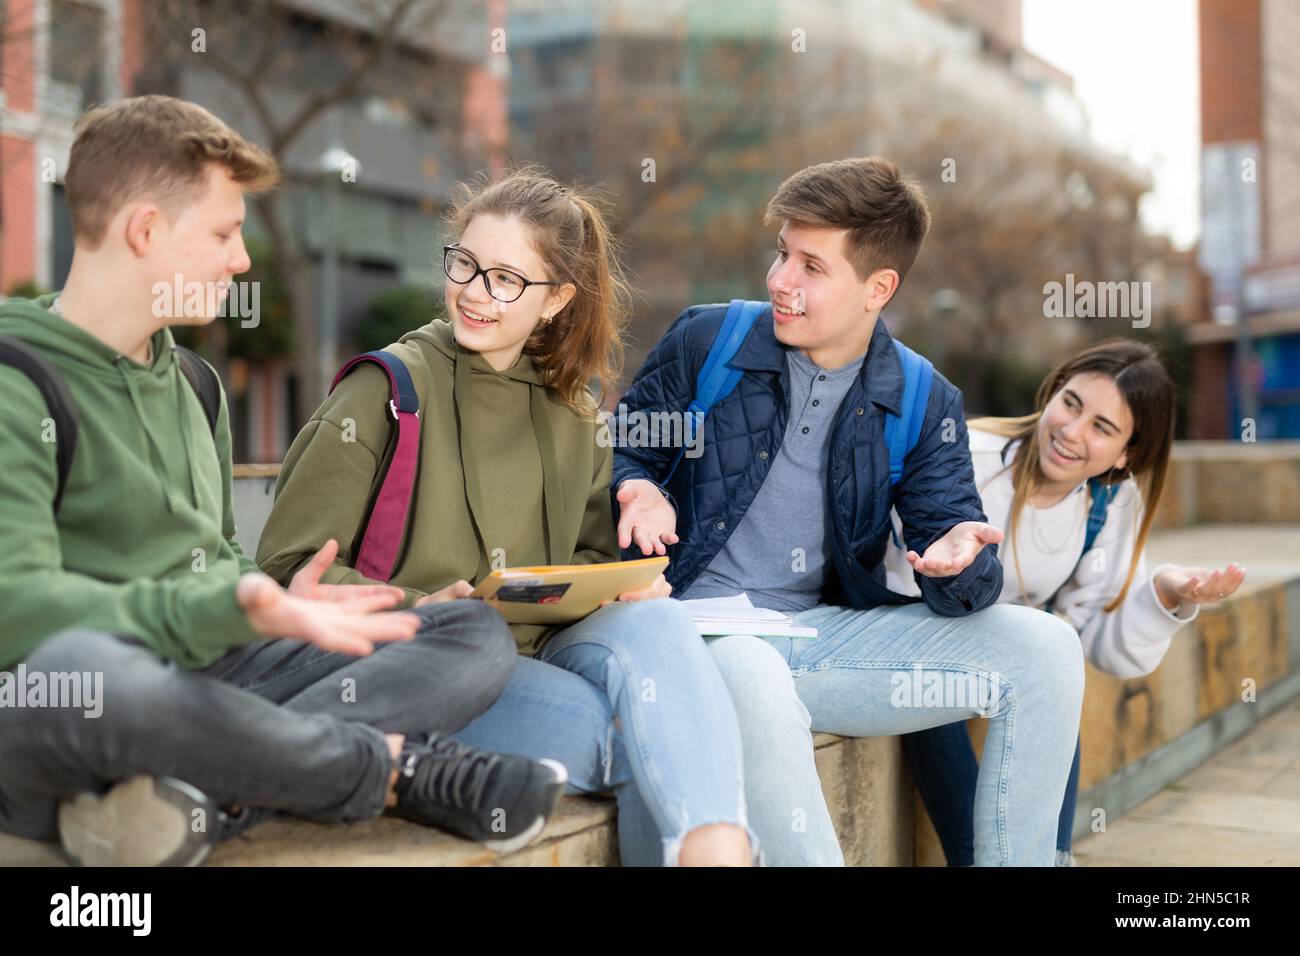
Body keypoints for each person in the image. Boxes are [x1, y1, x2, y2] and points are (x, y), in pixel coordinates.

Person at [0, 96, 567, 867]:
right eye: (226, 232)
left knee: (467, 634)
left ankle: (200, 792)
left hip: (211, 680)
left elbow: (215, 560)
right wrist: (221, 607)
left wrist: (287, 606)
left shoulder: (196, 384)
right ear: (144, 231)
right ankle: (396, 771)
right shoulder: (16, 384)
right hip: (65, 708)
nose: (241, 260)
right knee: (85, 671)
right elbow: (17, 608)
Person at [256, 168, 757, 866]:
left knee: (661, 625)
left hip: (543, 645)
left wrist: (617, 581)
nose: (473, 292)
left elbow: (585, 557)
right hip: (423, 659)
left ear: (556, 299)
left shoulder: (573, 410)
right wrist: (422, 603)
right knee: (632, 732)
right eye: (464, 264)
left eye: (505, 279)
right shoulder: (387, 390)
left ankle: (715, 854)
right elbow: (287, 568)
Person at [611, 156, 1086, 866]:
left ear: (878, 288)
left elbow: (953, 539)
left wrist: (962, 561)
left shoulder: (923, 398)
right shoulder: (709, 342)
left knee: (1048, 648)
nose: (780, 281)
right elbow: (621, 444)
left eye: (810, 265)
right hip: (685, 629)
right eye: (782, 254)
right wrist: (636, 484)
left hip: (815, 639)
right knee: (753, 675)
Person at [890, 339, 1245, 866]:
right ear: (1054, 392)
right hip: (913, 641)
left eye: (1103, 428)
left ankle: (1052, 857)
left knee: (1055, 663)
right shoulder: (967, 454)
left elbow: (1105, 647)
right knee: (934, 684)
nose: (1072, 433)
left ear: (1125, 454)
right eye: (1072, 404)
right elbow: (893, 579)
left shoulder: (1110, 502)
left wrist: (1165, 595)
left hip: (1011, 659)